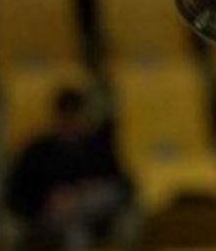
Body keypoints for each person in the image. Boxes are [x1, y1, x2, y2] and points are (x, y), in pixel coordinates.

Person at [8, 87, 132, 249]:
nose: (70, 122)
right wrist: (49, 202)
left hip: (98, 215)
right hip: (51, 221)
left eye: (75, 116)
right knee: (75, 230)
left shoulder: (96, 145)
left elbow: (123, 186)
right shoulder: (37, 151)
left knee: (104, 202)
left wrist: (80, 194)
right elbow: (15, 199)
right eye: (65, 116)